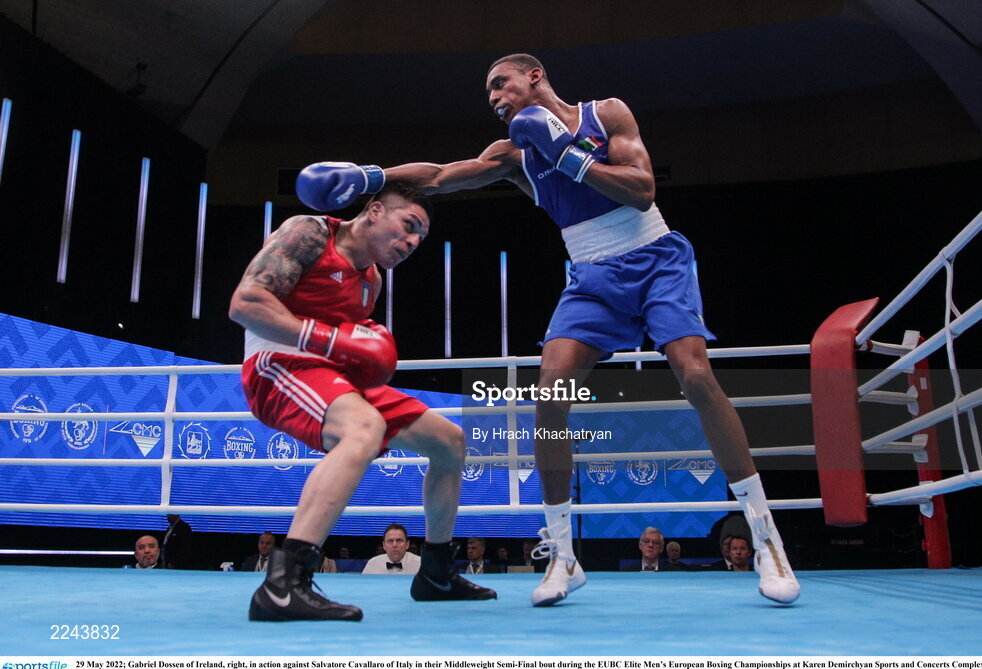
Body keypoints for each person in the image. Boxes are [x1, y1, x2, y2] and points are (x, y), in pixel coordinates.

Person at [294, 53, 799, 607]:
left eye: (500, 84)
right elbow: (441, 177)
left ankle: (767, 539)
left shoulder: (605, 114)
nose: (494, 97)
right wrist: (372, 176)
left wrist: (571, 158)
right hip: (590, 277)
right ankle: (562, 553)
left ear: (534, 75)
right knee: (549, 396)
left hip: (656, 259)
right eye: (489, 93)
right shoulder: (515, 153)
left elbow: (642, 189)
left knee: (696, 376)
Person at [229, 182, 495, 622]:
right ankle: (284, 585)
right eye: (408, 226)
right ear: (373, 211)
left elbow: (346, 349)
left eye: (420, 238)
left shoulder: (372, 281)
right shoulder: (311, 233)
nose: (412, 242)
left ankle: (435, 574)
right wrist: (330, 338)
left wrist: (356, 348)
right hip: (276, 364)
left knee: (449, 441)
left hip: (329, 371)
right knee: (363, 429)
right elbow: (245, 302)